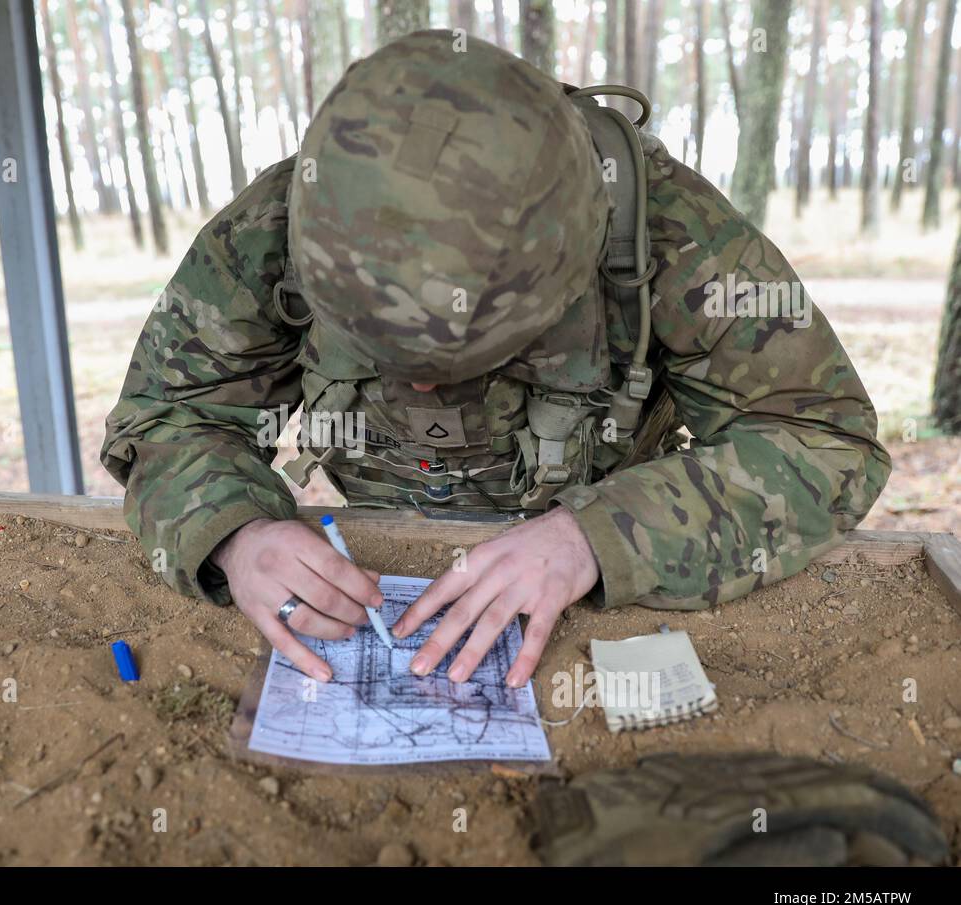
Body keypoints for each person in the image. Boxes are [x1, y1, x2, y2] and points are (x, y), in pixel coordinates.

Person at [101, 31, 888, 687]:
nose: (420, 385)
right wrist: (237, 536)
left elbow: (823, 441)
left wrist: (598, 538)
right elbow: (170, 415)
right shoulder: (281, 224)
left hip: (593, 588)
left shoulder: (667, 233)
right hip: (373, 558)